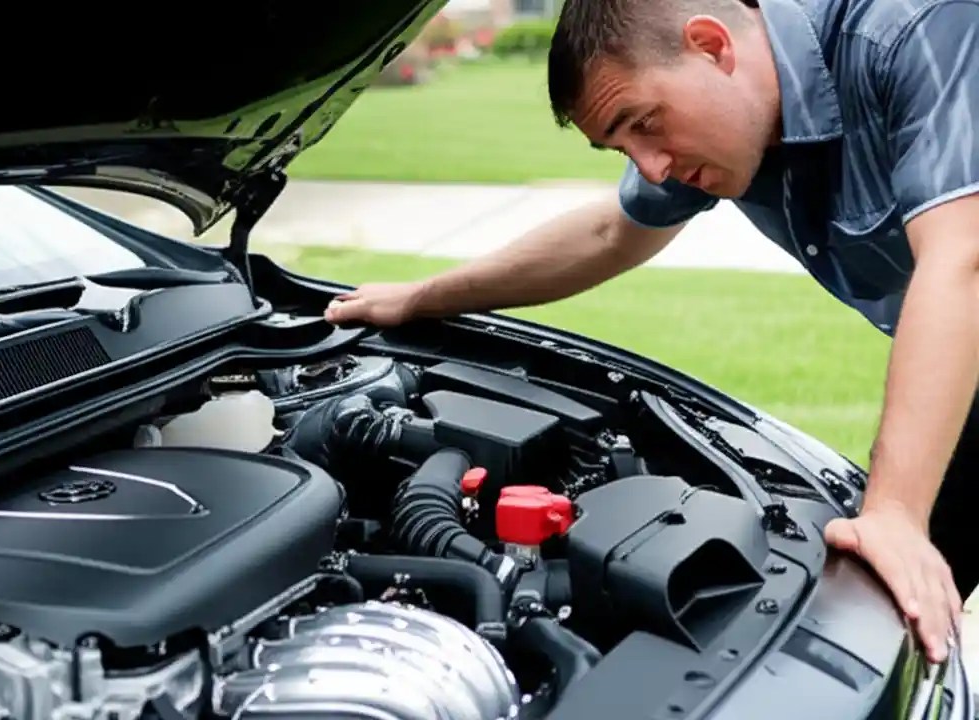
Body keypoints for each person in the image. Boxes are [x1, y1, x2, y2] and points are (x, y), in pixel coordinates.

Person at [324, 0, 979, 664]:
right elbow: (613, 230)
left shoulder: (908, 29)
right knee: (901, 616)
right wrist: (419, 298)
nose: (653, 166)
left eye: (642, 123)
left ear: (710, 45)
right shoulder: (727, 117)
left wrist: (894, 510)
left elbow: (964, 259)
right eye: (623, 146)